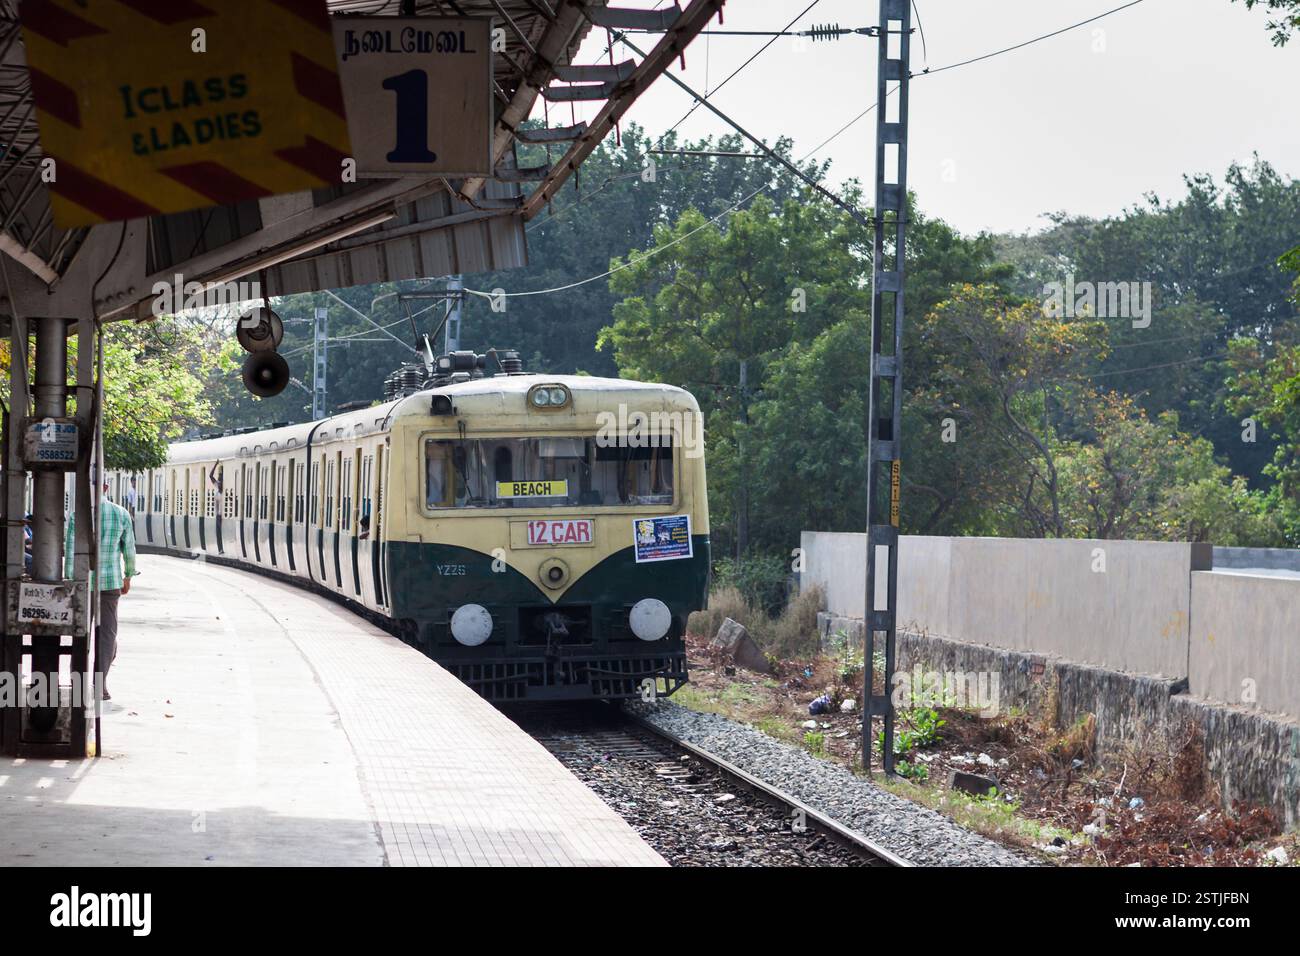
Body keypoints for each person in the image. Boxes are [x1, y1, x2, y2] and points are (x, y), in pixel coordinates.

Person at [64, 481, 139, 701]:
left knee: (81, 634)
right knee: (107, 636)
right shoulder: (121, 514)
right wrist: (128, 575)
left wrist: (70, 579)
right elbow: (130, 549)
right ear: (107, 487)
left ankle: (77, 684)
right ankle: (101, 685)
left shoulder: (78, 516)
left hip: (83, 584)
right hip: (110, 584)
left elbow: (70, 551)